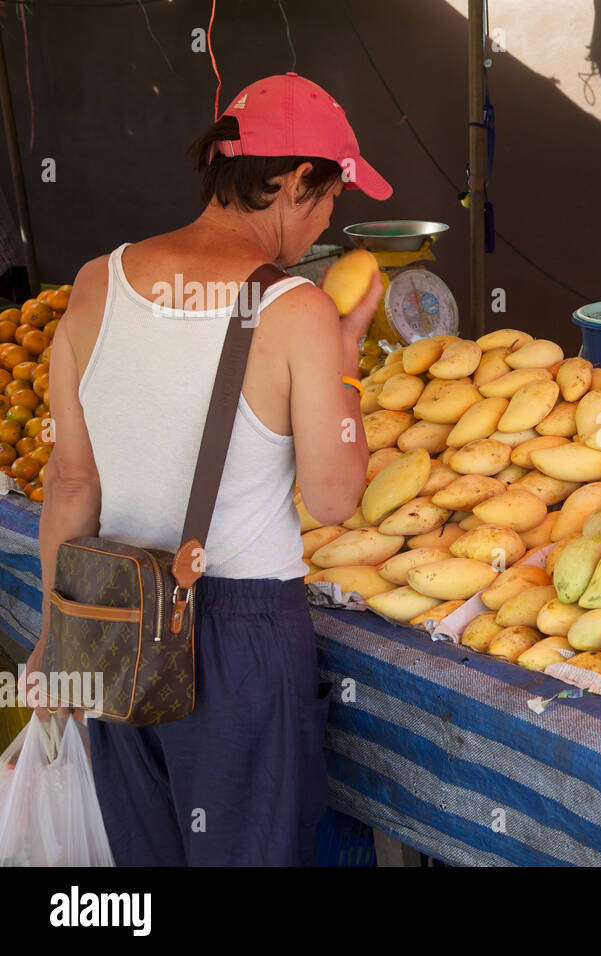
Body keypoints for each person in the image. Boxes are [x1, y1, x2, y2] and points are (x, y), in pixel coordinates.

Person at [25, 73, 390, 865]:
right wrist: (347, 355)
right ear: (294, 183)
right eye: (331, 196)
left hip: (114, 618)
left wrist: (59, 638)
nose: (332, 216)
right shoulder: (300, 310)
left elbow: (70, 483)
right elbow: (334, 496)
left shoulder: (97, 282)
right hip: (242, 637)